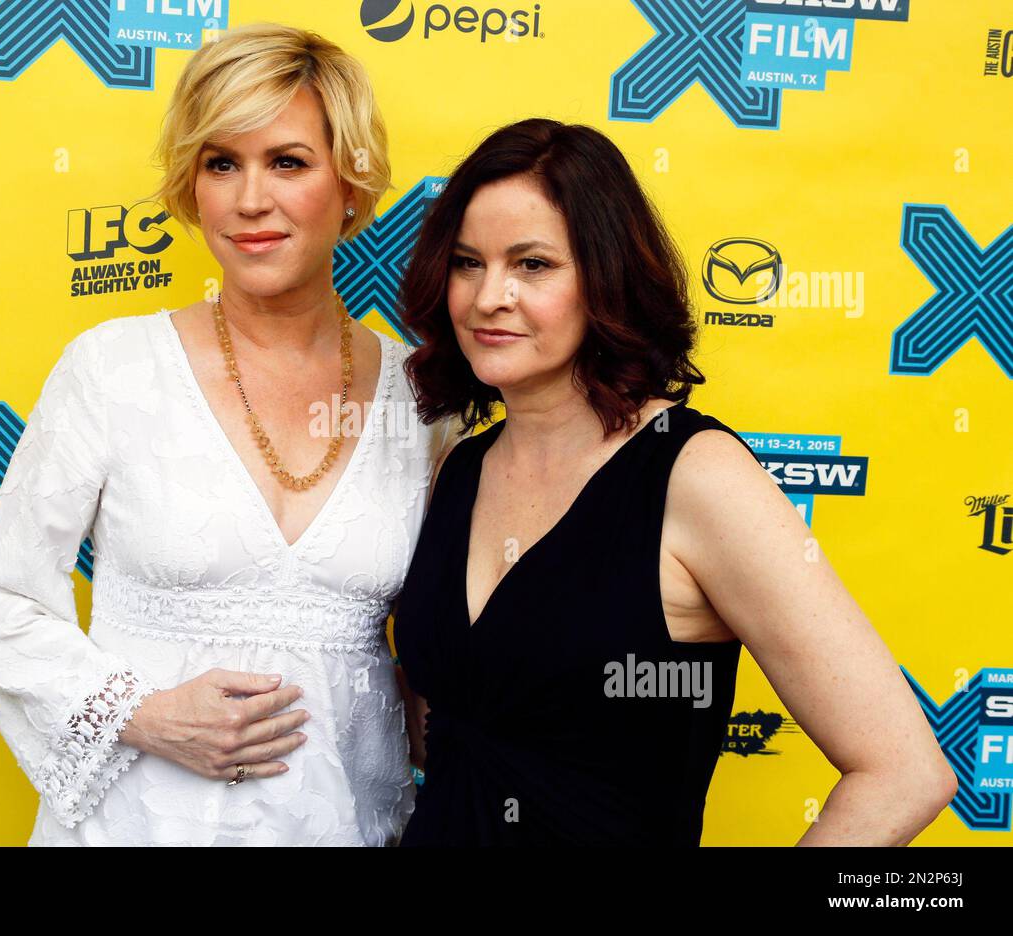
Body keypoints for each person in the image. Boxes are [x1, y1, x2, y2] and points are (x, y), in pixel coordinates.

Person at [0, 23, 454, 845]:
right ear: (193, 185)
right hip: (133, 825)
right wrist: (143, 714)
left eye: (288, 162)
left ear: (352, 184)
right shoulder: (113, 368)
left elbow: (446, 647)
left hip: (343, 826)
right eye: (222, 163)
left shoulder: (424, 401)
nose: (251, 200)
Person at [391, 118, 958, 846]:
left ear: (605, 278)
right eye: (469, 262)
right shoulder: (460, 467)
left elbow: (906, 773)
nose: (489, 296)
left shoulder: (695, 474)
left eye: (532, 265)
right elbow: (450, 732)